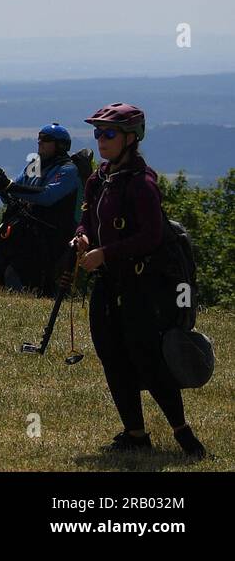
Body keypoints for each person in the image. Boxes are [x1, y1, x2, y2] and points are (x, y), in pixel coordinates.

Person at [74, 103, 205, 458]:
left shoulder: (142, 184)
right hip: (107, 284)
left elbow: (150, 236)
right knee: (112, 357)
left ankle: (183, 434)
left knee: (147, 358)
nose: (101, 139)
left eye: (110, 133)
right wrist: (83, 238)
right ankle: (135, 434)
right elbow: (87, 220)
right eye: (98, 133)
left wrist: (106, 253)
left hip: (141, 287)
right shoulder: (97, 179)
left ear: (131, 138)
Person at [0, 123, 84, 296]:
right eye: (39, 138)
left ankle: (16, 314)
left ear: (61, 145)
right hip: (22, 236)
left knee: (14, 275)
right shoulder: (35, 166)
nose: (40, 142)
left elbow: (47, 196)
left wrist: (9, 186)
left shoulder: (69, 171)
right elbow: (11, 195)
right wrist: (0, 183)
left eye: (46, 139)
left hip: (49, 240)